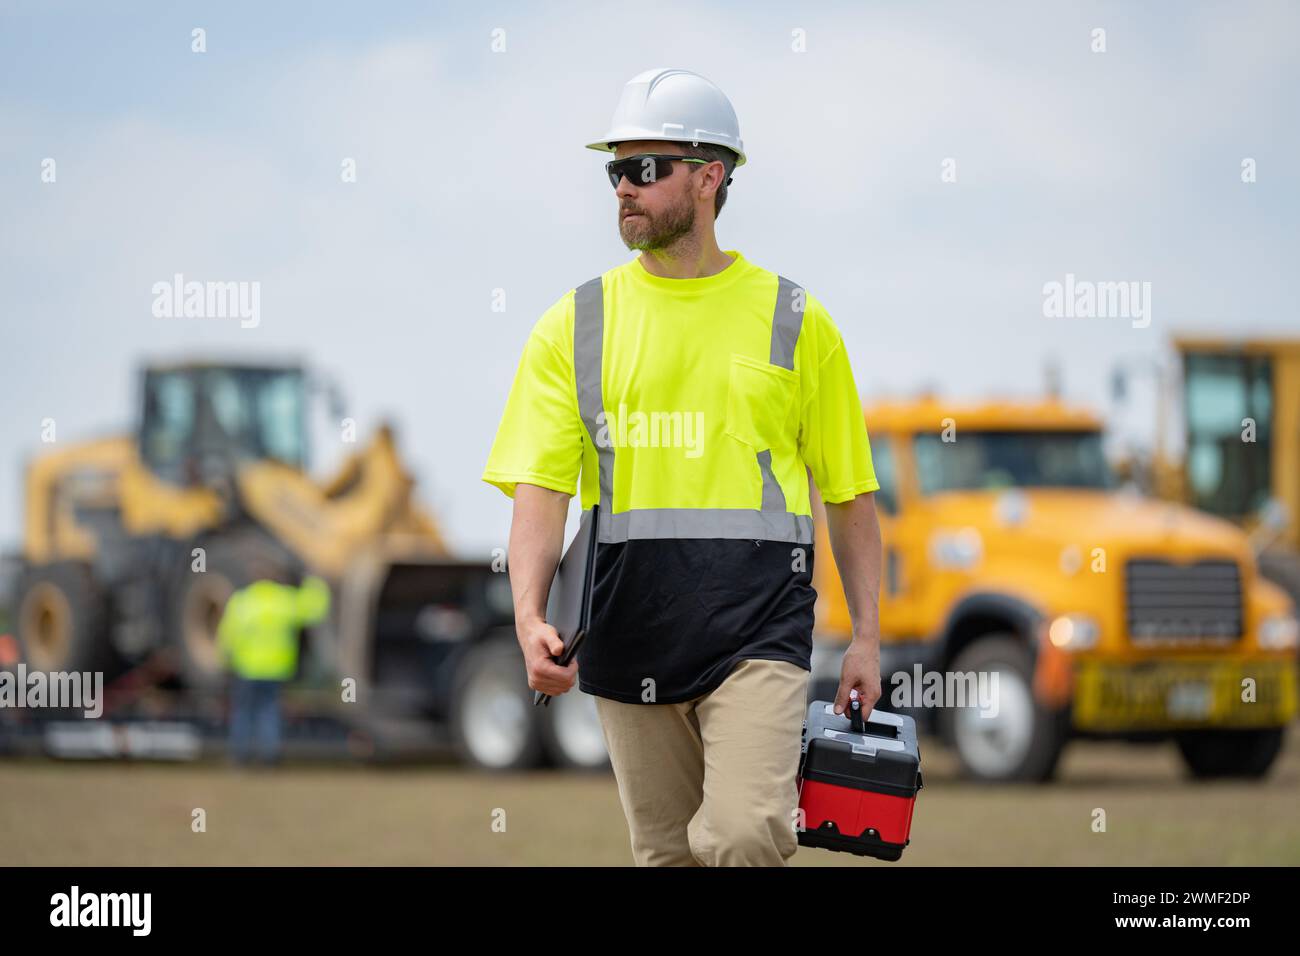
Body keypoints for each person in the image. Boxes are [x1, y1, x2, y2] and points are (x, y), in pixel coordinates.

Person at [481, 67, 883, 866]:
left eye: (645, 168)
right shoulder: (575, 325)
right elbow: (542, 489)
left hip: (759, 629)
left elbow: (849, 493)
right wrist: (529, 617)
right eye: (615, 171)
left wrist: (868, 634)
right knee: (667, 856)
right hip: (629, 629)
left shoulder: (797, 321)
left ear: (710, 177)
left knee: (742, 835)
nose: (623, 188)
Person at [217, 564, 330, 766]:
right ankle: (269, 756)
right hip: (276, 669)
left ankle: (239, 756)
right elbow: (315, 609)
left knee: (243, 712)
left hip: (247, 668)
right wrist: (315, 578)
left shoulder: (243, 601)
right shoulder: (284, 600)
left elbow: (227, 635)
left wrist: (224, 661)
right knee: (269, 712)